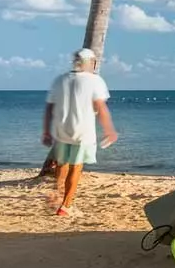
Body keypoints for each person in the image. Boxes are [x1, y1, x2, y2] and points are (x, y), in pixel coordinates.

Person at [42, 48, 118, 216]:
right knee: (76, 167)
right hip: (82, 132)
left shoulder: (60, 80)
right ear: (90, 63)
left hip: (61, 130)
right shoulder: (94, 81)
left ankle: (59, 193)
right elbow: (101, 107)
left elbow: (49, 108)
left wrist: (46, 131)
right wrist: (110, 130)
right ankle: (65, 206)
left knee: (62, 164)